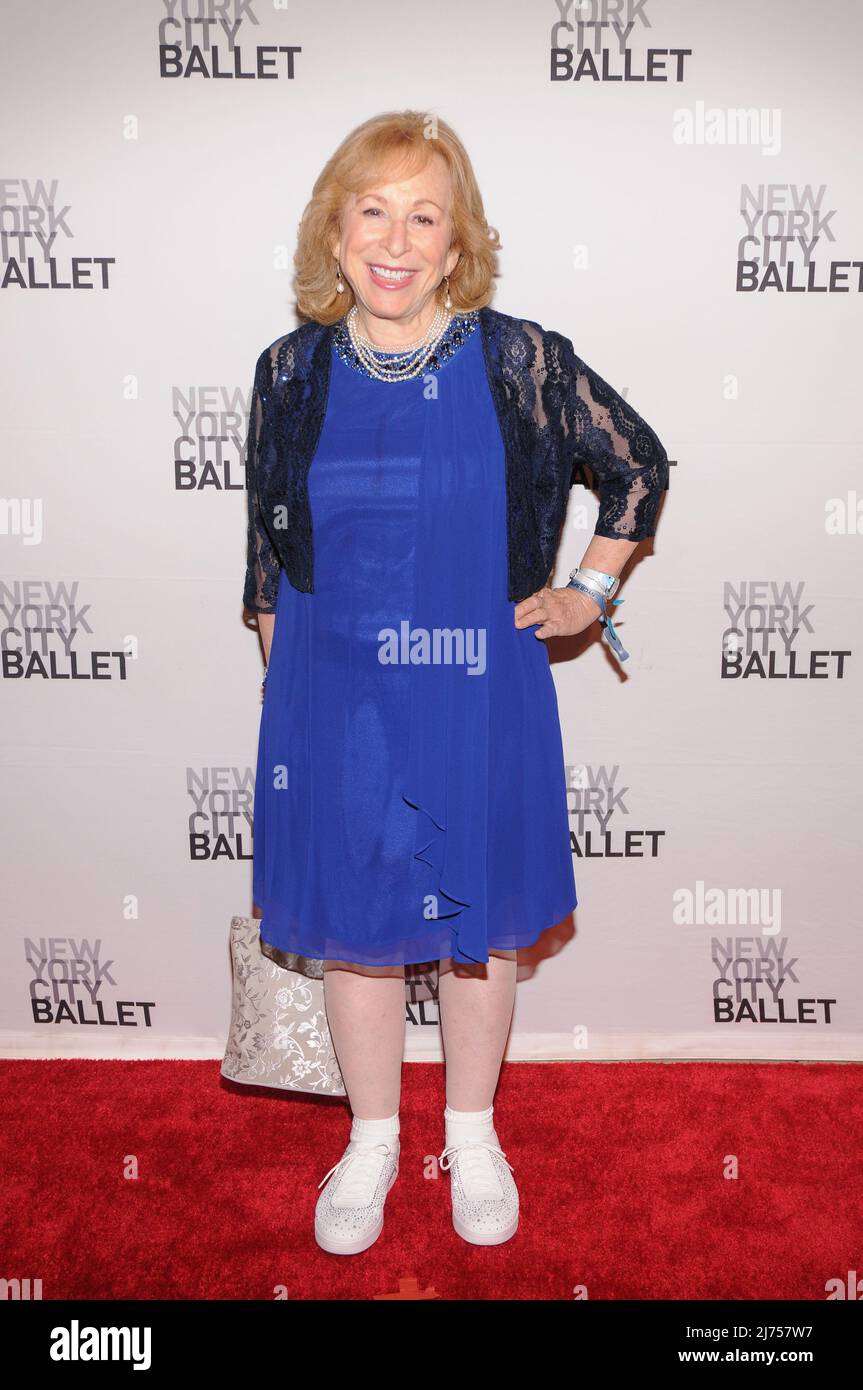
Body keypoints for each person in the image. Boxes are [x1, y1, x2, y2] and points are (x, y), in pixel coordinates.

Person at [242, 110, 668, 1255]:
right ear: (334, 235)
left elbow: (635, 461)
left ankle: (471, 1135)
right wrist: (306, 706)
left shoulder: (517, 359)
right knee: (358, 929)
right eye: (371, 211)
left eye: (422, 215)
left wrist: (589, 590)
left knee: (472, 923)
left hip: (477, 687)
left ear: (454, 241)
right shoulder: (286, 373)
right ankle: (372, 1139)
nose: (395, 238)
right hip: (337, 694)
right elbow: (269, 558)